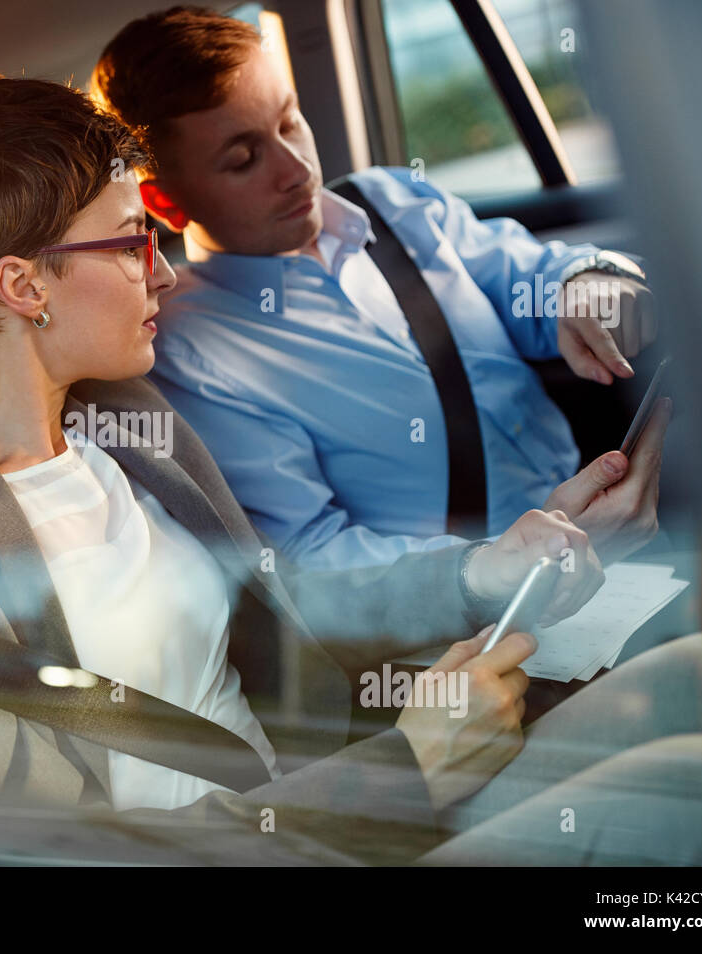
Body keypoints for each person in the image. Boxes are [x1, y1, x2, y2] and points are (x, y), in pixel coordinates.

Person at [0, 71, 702, 865]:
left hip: (344, 808)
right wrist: (404, 769)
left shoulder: (124, 427)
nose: (166, 272)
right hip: (316, 826)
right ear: (22, 285)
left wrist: (493, 569)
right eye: (133, 240)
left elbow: (286, 595)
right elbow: (46, 847)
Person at [90, 6, 666, 573]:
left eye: (289, 122)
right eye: (244, 159)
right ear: (165, 203)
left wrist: (586, 283)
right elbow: (314, 557)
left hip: (615, 518)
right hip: (476, 620)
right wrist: (507, 568)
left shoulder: (389, 201)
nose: (296, 169)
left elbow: (523, 274)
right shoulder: (191, 351)